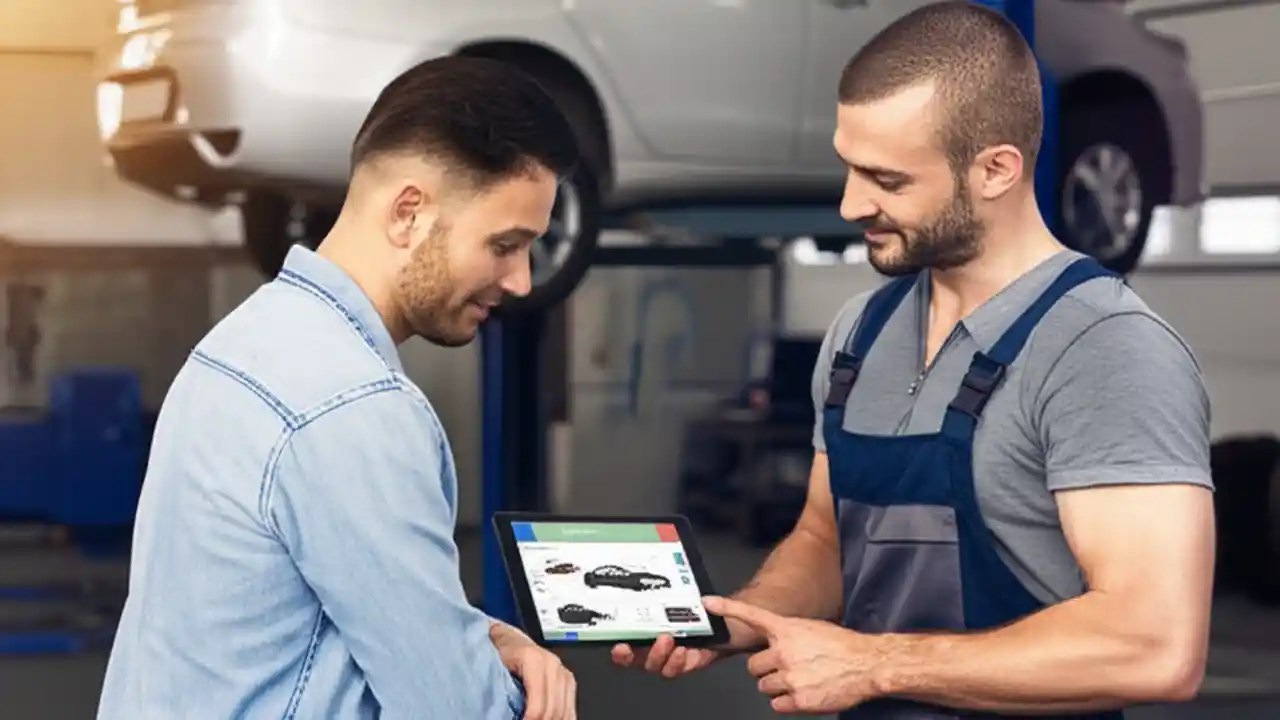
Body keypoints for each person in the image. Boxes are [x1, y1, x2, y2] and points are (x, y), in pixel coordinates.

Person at [613, 3, 1216, 718]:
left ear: (995, 169)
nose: (848, 204)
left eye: (887, 181)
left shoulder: (1105, 350)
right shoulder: (858, 334)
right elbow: (824, 538)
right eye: (848, 168)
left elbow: (1155, 646)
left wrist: (873, 664)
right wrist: (739, 620)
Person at [98, 56, 580, 720]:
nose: (523, 280)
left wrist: (480, 638)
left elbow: (311, 608)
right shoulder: (354, 407)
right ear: (409, 212)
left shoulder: (240, 344)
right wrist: (511, 683)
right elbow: (456, 707)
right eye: (506, 243)